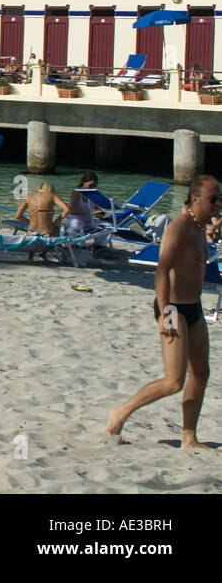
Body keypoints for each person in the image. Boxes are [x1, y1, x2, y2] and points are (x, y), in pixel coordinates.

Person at [107, 175, 222, 450]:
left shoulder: (198, 226)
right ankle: (119, 413)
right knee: (173, 381)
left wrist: (212, 229)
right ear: (195, 200)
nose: (218, 205)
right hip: (172, 307)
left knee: (201, 373)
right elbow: (161, 269)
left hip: (192, 306)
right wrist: (166, 313)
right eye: (213, 200)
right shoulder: (179, 227)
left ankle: (189, 437)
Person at [14, 182, 70, 262]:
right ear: (51, 189)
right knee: (58, 229)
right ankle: (44, 252)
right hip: (48, 235)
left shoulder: (29, 197)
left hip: (31, 233)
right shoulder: (52, 195)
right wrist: (58, 220)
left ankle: (30, 256)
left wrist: (29, 222)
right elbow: (67, 210)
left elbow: (17, 216)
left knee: (32, 229)